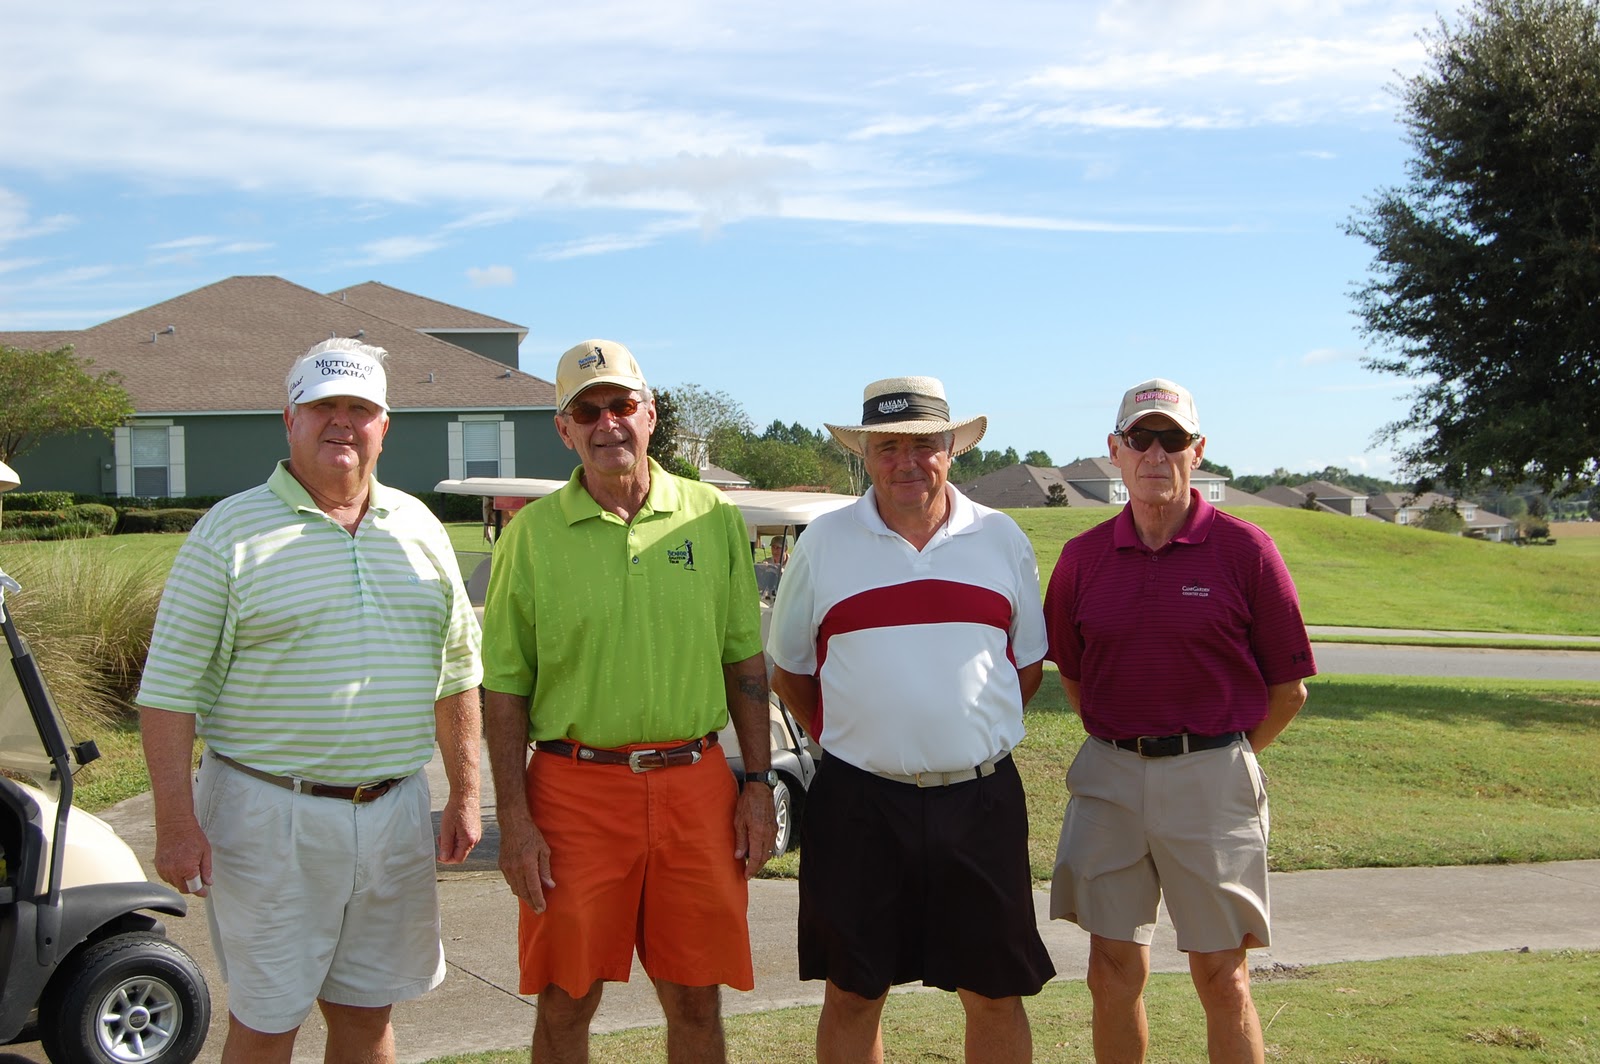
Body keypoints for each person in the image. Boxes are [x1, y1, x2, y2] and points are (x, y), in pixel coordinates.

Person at [137, 338, 483, 1064]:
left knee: (369, 1016)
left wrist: (464, 794)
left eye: (360, 408)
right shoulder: (228, 532)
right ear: (289, 419)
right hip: (269, 817)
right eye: (324, 406)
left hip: (393, 812)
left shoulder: (419, 527)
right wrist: (175, 821)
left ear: (384, 427)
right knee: (268, 1024)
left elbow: (456, 673)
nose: (342, 422)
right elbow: (168, 693)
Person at [480, 339, 777, 1064]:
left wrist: (759, 784)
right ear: (564, 429)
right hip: (573, 790)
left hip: (696, 786)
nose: (606, 422)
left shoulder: (711, 516)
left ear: (650, 414)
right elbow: (504, 687)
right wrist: (513, 818)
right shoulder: (531, 536)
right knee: (565, 1000)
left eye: (621, 404)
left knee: (696, 999)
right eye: (587, 411)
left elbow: (743, 660)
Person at [767, 376, 1056, 1064]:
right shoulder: (825, 541)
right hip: (859, 803)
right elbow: (790, 671)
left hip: (980, 802)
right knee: (853, 992)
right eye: (888, 446)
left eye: (923, 445)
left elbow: (1025, 670)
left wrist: (960, 734)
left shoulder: (1001, 537)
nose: (907, 462)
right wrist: (861, 741)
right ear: (865, 455)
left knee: (995, 991)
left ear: (951, 449)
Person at [1043, 377, 1317, 1064]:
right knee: (1110, 971)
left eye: (1172, 439)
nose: (1155, 454)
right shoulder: (1081, 559)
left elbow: (1289, 691)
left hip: (1213, 777)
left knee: (1223, 977)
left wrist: (1222, 754)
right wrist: (1126, 740)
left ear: (1198, 450)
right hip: (1110, 776)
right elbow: (1074, 676)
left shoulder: (1247, 551)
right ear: (1115, 451)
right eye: (1141, 438)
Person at [754, 534, 787, 601]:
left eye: (778, 548)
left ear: (785, 549)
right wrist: (761, 570)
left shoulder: (792, 563)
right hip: (769, 597)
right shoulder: (767, 561)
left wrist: (781, 571)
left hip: (785, 596)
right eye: (773, 547)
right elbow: (760, 585)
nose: (775, 551)